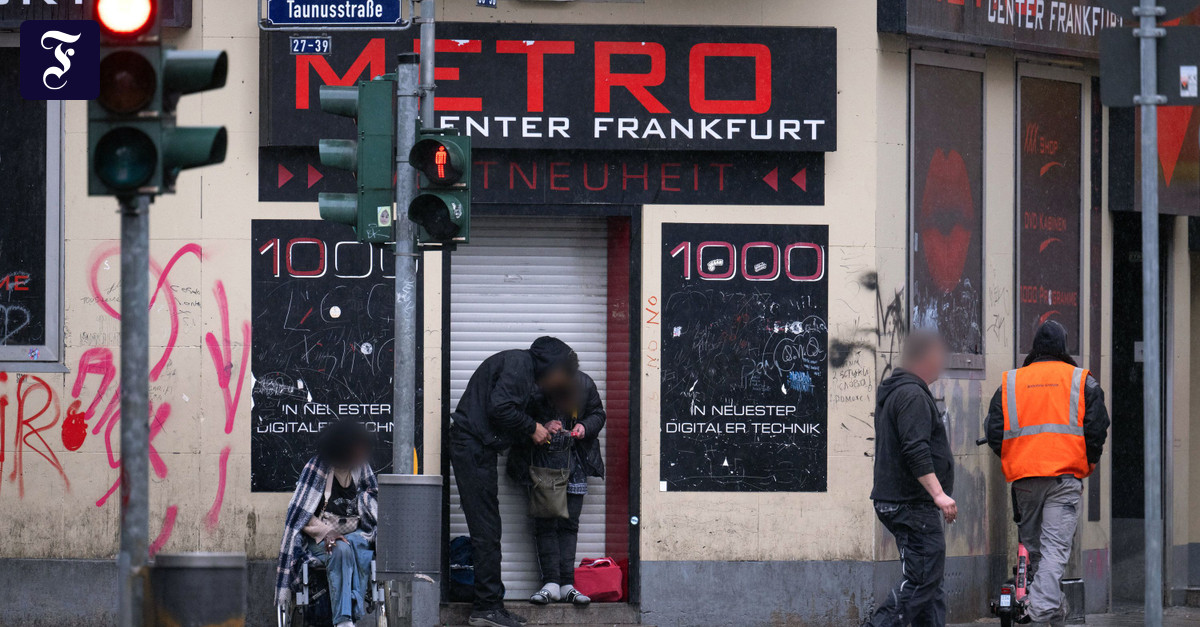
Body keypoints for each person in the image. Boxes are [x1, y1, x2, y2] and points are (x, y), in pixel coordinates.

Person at [984, 321, 1109, 627]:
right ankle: (1037, 610)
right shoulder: (1081, 381)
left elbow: (994, 431)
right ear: (1063, 348)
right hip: (1063, 480)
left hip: (1025, 482)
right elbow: (1097, 429)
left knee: (1035, 553)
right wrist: (1087, 465)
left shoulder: (1011, 383)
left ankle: (1056, 611)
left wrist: (1018, 458)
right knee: (1054, 551)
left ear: (1035, 348)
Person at [450, 336, 580, 627]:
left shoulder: (523, 368)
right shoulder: (520, 365)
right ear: (552, 365)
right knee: (486, 530)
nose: (556, 384)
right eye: (560, 376)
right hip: (471, 448)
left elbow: (509, 409)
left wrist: (540, 425)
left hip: (478, 448)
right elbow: (500, 408)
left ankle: (492, 604)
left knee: (489, 529)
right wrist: (532, 427)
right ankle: (486, 608)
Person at [868, 330, 955, 627]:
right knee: (921, 581)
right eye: (938, 355)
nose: (942, 362)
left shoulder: (901, 391)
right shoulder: (912, 395)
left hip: (905, 502)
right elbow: (915, 449)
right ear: (925, 358)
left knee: (930, 585)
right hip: (912, 504)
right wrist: (938, 494)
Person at [506, 370, 606, 606]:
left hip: (576, 464)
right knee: (546, 524)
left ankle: (566, 584)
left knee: (569, 525)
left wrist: (584, 426)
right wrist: (540, 426)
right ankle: (551, 583)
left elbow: (597, 414)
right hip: (543, 465)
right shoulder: (532, 383)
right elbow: (514, 415)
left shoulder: (583, 382)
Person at [276, 419, 379, 627]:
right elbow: (299, 513)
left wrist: (364, 502)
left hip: (355, 531)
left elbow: (374, 498)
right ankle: (344, 620)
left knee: (360, 547)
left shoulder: (362, 468)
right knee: (340, 549)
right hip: (321, 536)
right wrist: (326, 532)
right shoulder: (316, 467)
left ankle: (353, 607)